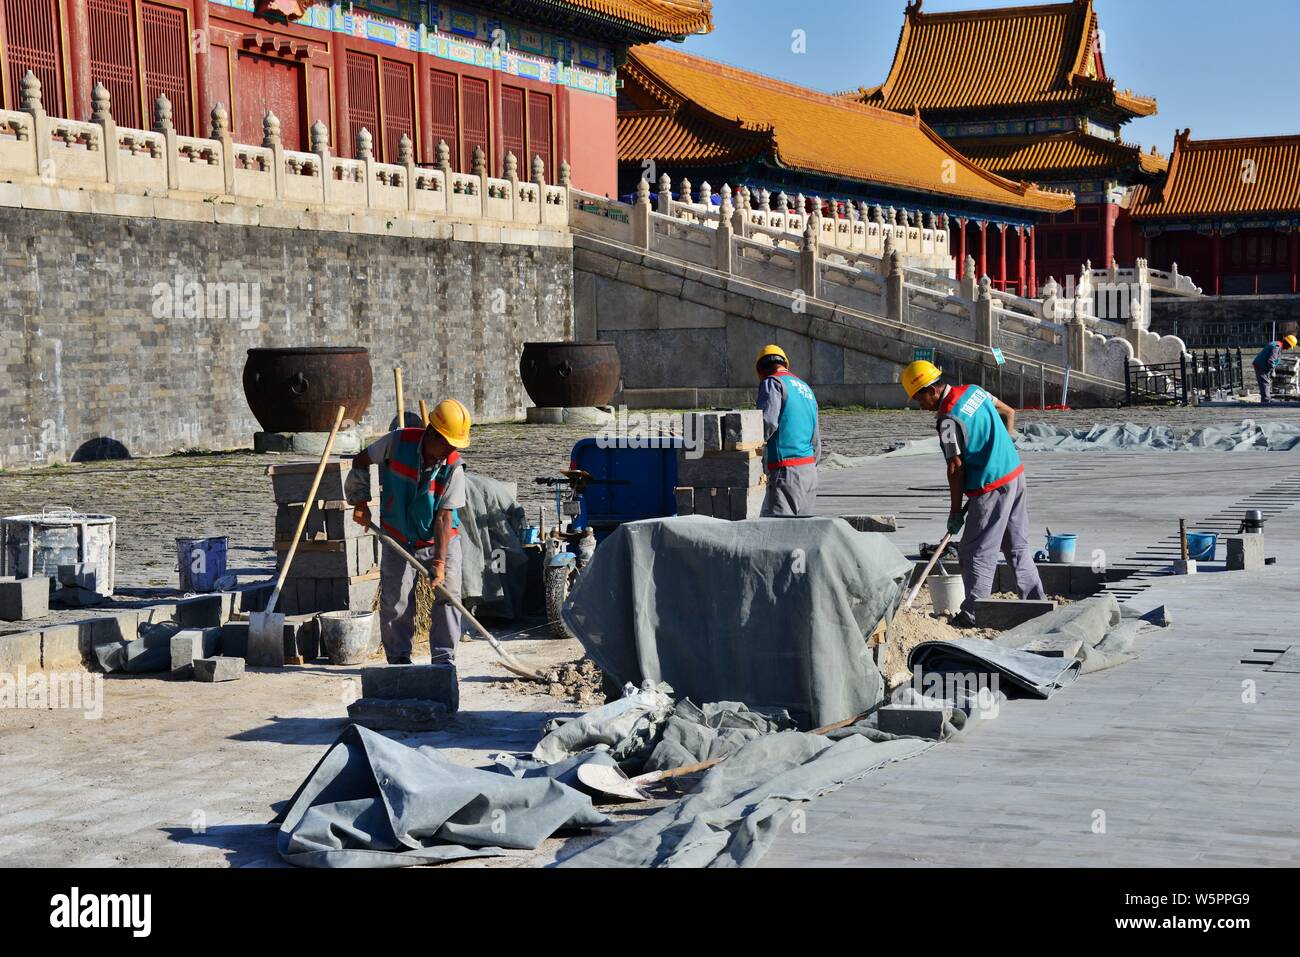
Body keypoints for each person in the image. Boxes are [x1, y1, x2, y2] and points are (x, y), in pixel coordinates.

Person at [901, 360, 1045, 627]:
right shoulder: (974, 391)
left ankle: (973, 614)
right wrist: (1005, 444)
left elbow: (955, 467)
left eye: (918, 398)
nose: (920, 406)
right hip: (1015, 476)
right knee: (1017, 546)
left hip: (991, 488)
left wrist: (955, 511)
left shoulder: (947, 420)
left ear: (930, 390)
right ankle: (1037, 603)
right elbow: (1008, 411)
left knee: (975, 552)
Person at [345, 399, 472, 665]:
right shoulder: (397, 442)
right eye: (447, 443)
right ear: (432, 433)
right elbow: (360, 460)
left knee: (448, 600)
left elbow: (445, 517)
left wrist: (438, 562)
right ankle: (398, 661)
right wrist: (360, 502)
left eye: (454, 445)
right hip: (398, 536)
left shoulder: (454, 467)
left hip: (441, 539)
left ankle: (443, 662)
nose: (450, 450)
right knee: (396, 601)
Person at [755, 344, 820, 516]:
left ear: (760, 370)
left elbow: (767, 423)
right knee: (801, 533)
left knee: (781, 533)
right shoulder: (805, 388)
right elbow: (816, 438)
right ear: (785, 363)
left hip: (786, 472)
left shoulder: (772, 383)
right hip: (809, 471)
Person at [1252, 334, 1297, 405]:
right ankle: (1265, 403)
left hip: (1262, 366)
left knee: (1267, 383)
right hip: (1261, 367)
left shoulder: (1277, 344)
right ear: (1287, 343)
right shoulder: (1277, 347)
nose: (1288, 348)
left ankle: (1266, 400)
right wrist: (1272, 371)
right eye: (1289, 346)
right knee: (1265, 383)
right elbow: (1271, 360)